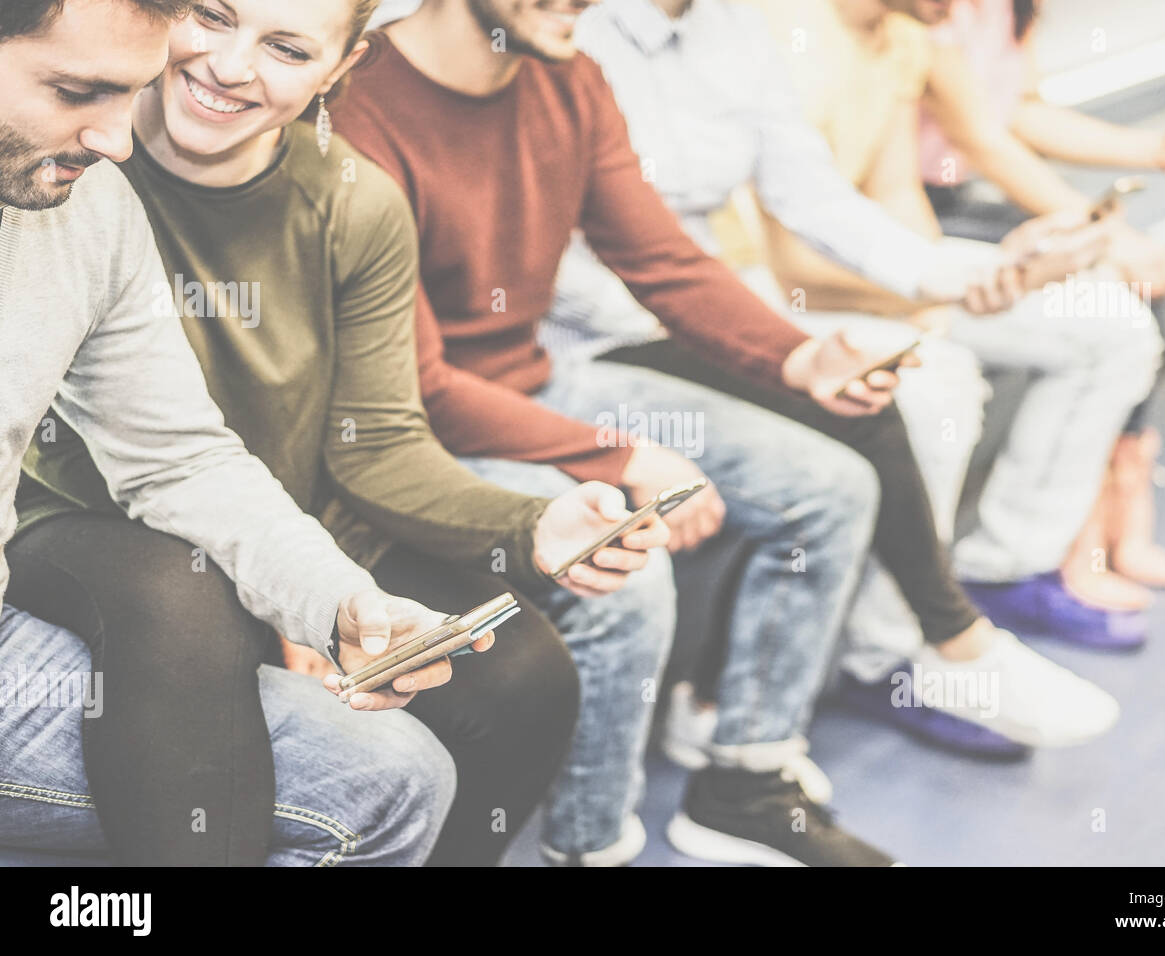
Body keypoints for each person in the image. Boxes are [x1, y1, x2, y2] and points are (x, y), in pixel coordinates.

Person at [334, 0, 1118, 865]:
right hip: (422, 427)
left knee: (831, 486)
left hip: (542, 380)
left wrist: (799, 359)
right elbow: (417, 386)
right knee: (624, 578)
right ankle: (590, 848)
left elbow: (664, 262)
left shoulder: (571, 77)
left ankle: (743, 781)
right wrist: (623, 455)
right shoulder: (360, 102)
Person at [15, 0, 680, 867]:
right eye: (212, 19)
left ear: (341, 67)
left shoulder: (342, 201)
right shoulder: (60, 161)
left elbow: (333, 446)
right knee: (181, 595)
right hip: (80, 526)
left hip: (260, 510)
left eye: (288, 47)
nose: (230, 66)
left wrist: (500, 536)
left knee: (521, 677)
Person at [536, 0, 1128, 761]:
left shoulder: (729, 26)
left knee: (913, 372)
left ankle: (898, 651)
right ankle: (939, 641)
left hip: (714, 302)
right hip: (605, 331)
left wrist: (970, 272)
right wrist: (744, 333)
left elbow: (810, 193)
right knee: (863, 416)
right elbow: (583, 260)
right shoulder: (562, 29)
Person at [0, 0, 466, 866]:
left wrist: (338, 599)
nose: (117, 142)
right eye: (76, 92)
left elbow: (178, 458)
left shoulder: (92, 209)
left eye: (129, 93)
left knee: (394, 776)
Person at [745, 0, 1165, 650]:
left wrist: (948, 282)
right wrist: (938, 293)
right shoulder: (781, 37)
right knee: (941, 383)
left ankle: (1006, 569)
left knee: (1112, 326)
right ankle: (887, 652)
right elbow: (792, 270)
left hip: (875, 266)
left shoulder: (908, 36)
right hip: (770, 291)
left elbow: (895, 197)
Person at [916, 0, 1165, 593]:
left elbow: (1019, 113)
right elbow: (976, 135)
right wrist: (1100, 232)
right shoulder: (925, 12)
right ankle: (1072, 550)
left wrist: (1156, 151)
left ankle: (1113, 520)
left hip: (953, 201)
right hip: (915, 211)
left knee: (1135, 286)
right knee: (1115, 295)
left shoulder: (1010, 9)